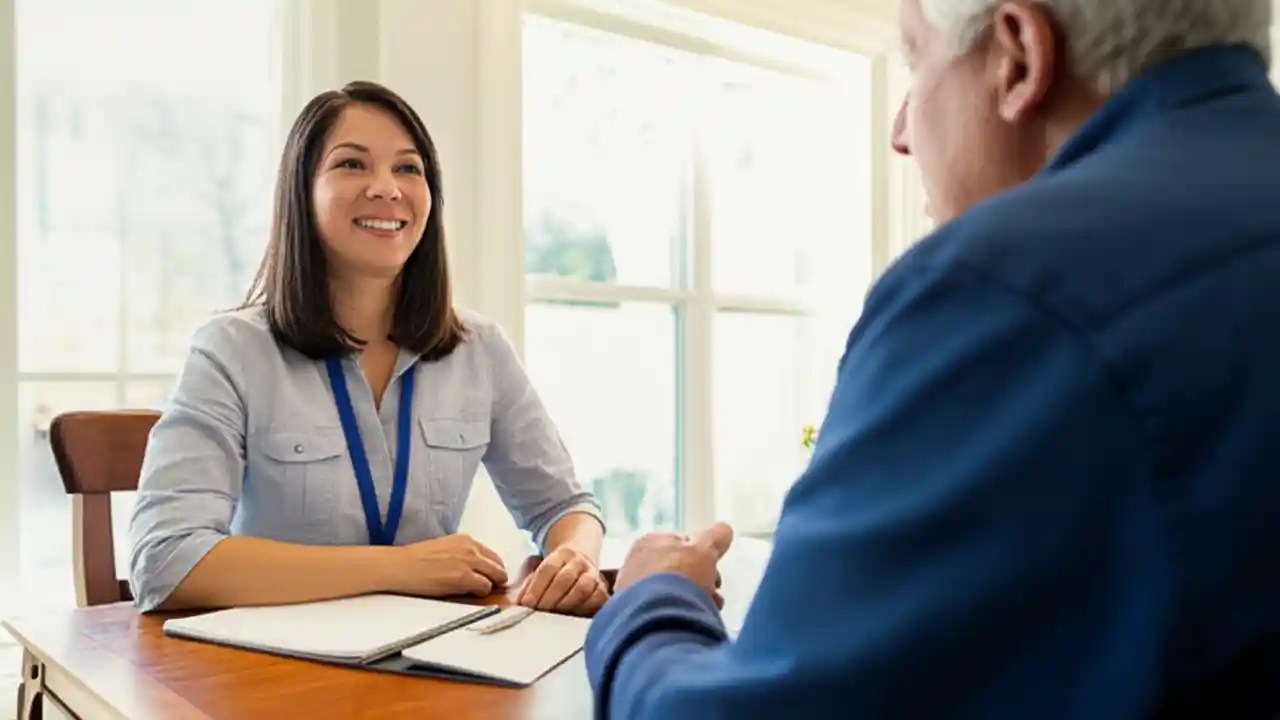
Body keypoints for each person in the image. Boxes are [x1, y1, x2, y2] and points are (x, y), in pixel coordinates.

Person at [586, 0, 1280, 716]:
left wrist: (648, 603)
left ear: (1016, 59)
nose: (899, 132)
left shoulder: (998, 286)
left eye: (915, 63)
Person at [128, 81, 607, 617]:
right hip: (276, 674)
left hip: (430, 666)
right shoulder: (232, 351)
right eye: (352, 164)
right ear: (301, 192)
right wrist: (402, 568)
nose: (386, 188)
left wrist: (574, 557)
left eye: (408, 168)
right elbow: (166, 560)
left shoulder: (480, 349)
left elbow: (565, 506)